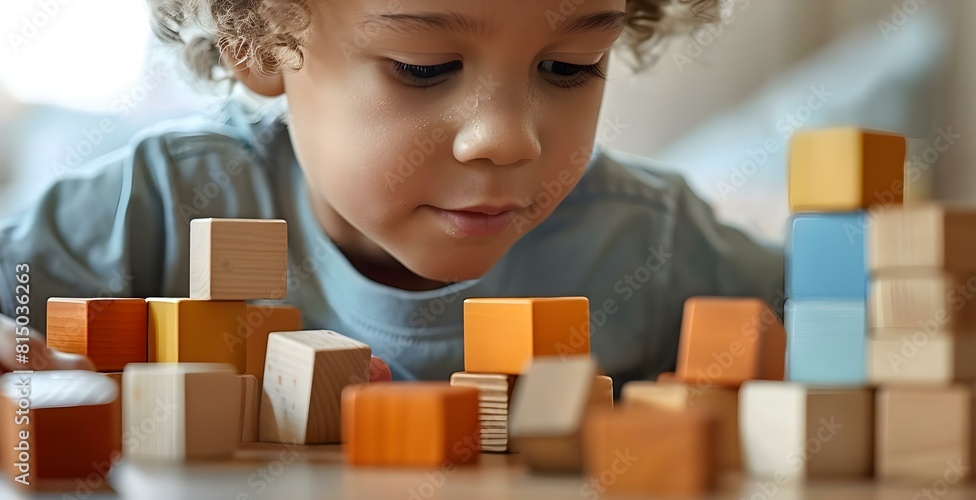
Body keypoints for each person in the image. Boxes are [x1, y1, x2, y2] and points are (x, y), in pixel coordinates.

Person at [0, 0, 782, 388]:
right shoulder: (165, 203)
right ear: (258, 45)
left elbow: (829, 315)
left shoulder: (649, 240)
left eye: (569, 67)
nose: (507, 140)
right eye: (423, 68)